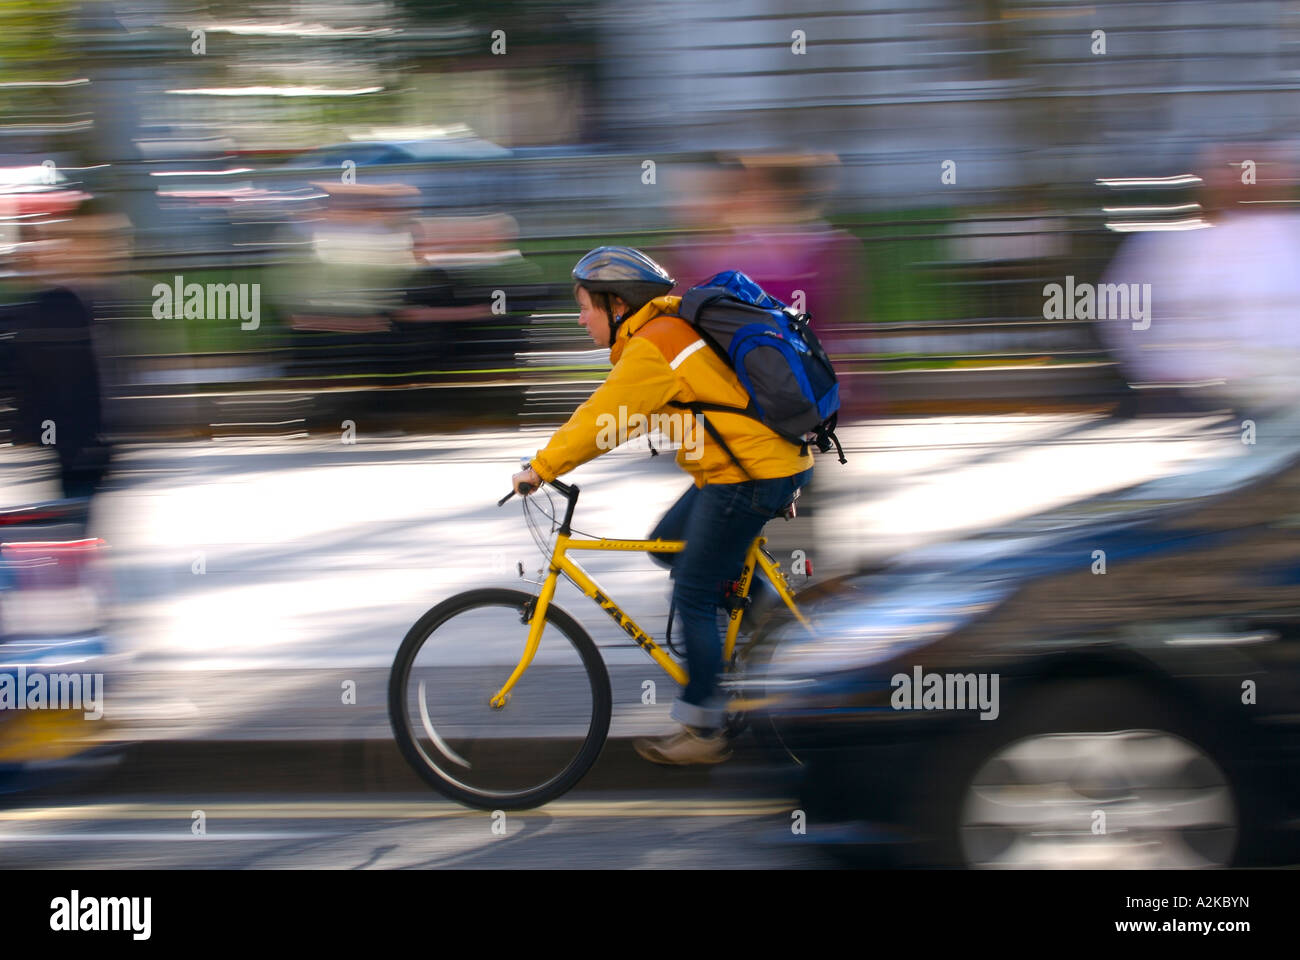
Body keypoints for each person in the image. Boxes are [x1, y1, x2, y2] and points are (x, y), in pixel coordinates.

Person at [510, 246, 813, 765]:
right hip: (746, 467)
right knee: (666, 545)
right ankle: (764, 619)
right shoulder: (663, 332)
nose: (581, 320)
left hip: (747, 473)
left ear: (617, 304)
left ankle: (703, 728)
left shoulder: (654, 346)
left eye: (585, 307)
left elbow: (601, 418)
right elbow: (627, 417)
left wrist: (542, 468)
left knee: (693, 591)